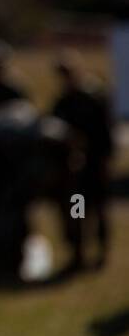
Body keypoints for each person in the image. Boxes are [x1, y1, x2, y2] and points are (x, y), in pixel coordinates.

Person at [51, 50, 114, 271]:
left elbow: (105, 132)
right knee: (77, 210)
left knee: (98, 210)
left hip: (94, 166)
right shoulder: (63, 100)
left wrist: (103, 158)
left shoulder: (93, 96)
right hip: (75, 171)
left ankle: (101, 250)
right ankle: (78, 252)